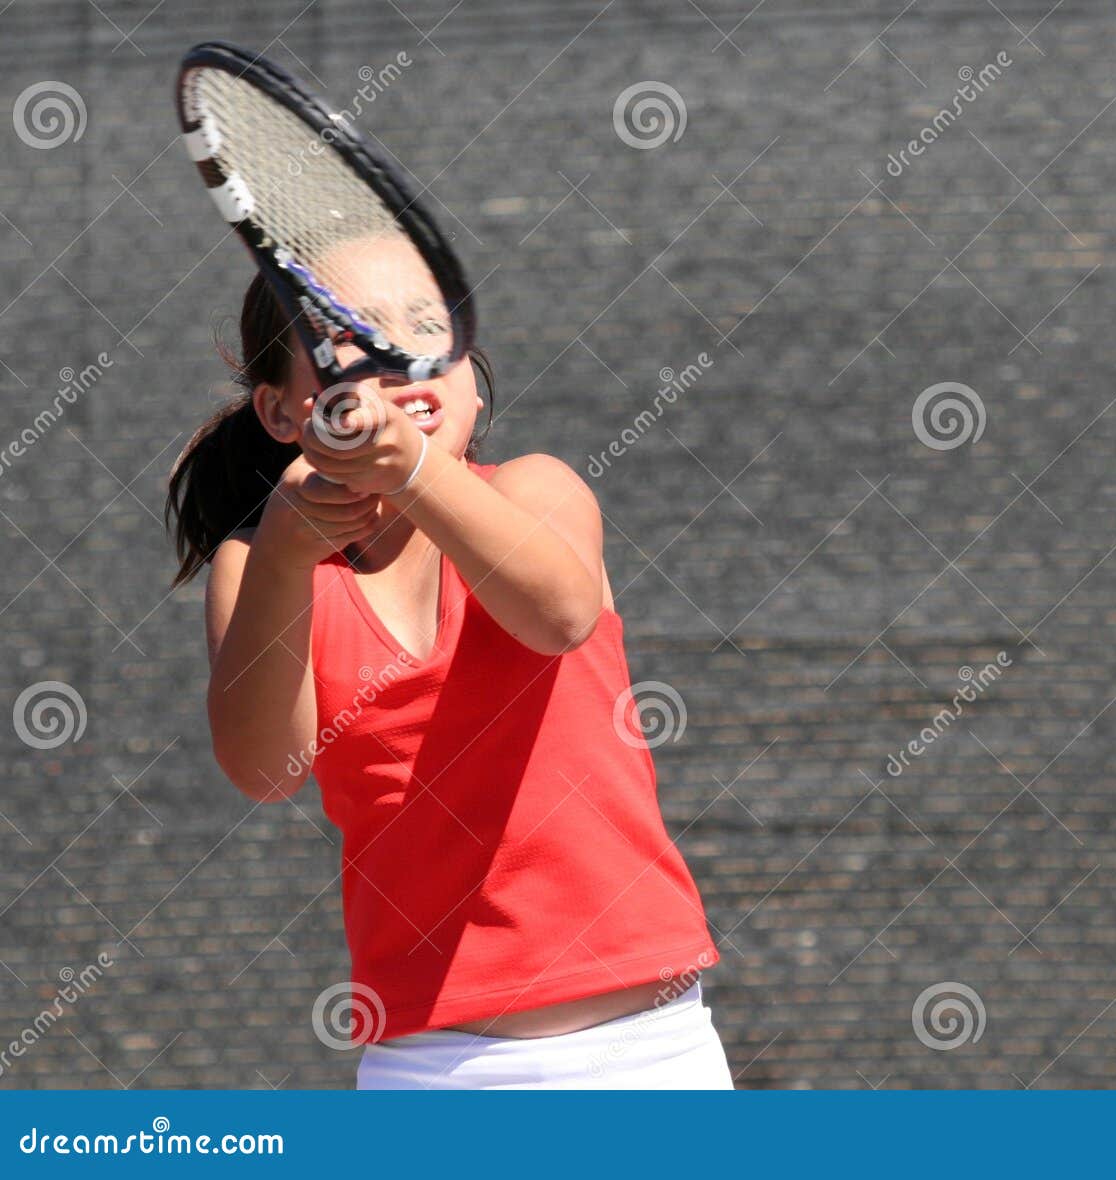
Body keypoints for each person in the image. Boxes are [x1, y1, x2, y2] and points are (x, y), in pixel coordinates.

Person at [164, 245, 731, 1089]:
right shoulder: (258, 566)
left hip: (647, 1051)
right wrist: (284, 553)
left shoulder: (537, 489)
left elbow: (559, 615)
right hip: (429, 1071)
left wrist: (415, 469)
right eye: (356, 338)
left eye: (430, 327)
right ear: (284, 411)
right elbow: (264, 770)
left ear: (470, 374)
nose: (403, 355)